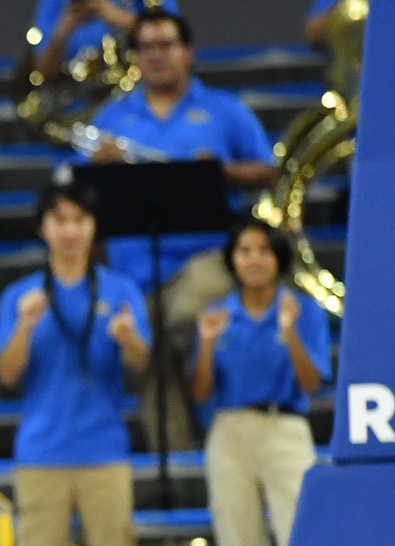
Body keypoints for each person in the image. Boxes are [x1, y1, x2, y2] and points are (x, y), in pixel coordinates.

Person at [0, 182, 151, 546]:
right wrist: (23, 326)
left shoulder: (120, 290)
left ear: (92, 227)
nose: (69, 231)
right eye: (59, 221)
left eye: (79, 221)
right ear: (44, 228)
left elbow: (143, 365)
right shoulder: (20, 296)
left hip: (105, 448)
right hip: (43, 451)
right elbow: (6, 374)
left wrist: (128, 339)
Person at [85, 13, 277, 346]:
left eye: (166, 45)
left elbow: (269, 173)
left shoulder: (224, 110)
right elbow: (78, 193)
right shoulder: (111, 117)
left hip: (205, 261)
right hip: (133, 269)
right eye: (146, 47)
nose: (156, 55)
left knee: (183, 316)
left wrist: (220, 172)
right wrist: (98, 168)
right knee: (142, 353)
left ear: (188, 51)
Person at [189, 222, 327, 546]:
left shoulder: (303, 309)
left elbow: (312, 382)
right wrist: (207, 345)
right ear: (232, 259)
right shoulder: (216, 314)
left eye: (263, 250)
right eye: (244, 250)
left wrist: (290, 334)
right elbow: (200, 392)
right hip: (230, 430)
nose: (253, 259)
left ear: (278, 258)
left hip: (285, 428)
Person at [32, 0, 178, 80]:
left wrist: (113, 15)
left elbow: (175, 44)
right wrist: (63, 30)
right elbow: (42, 74)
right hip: (75, 108)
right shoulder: (53, 3)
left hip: (136, 103)